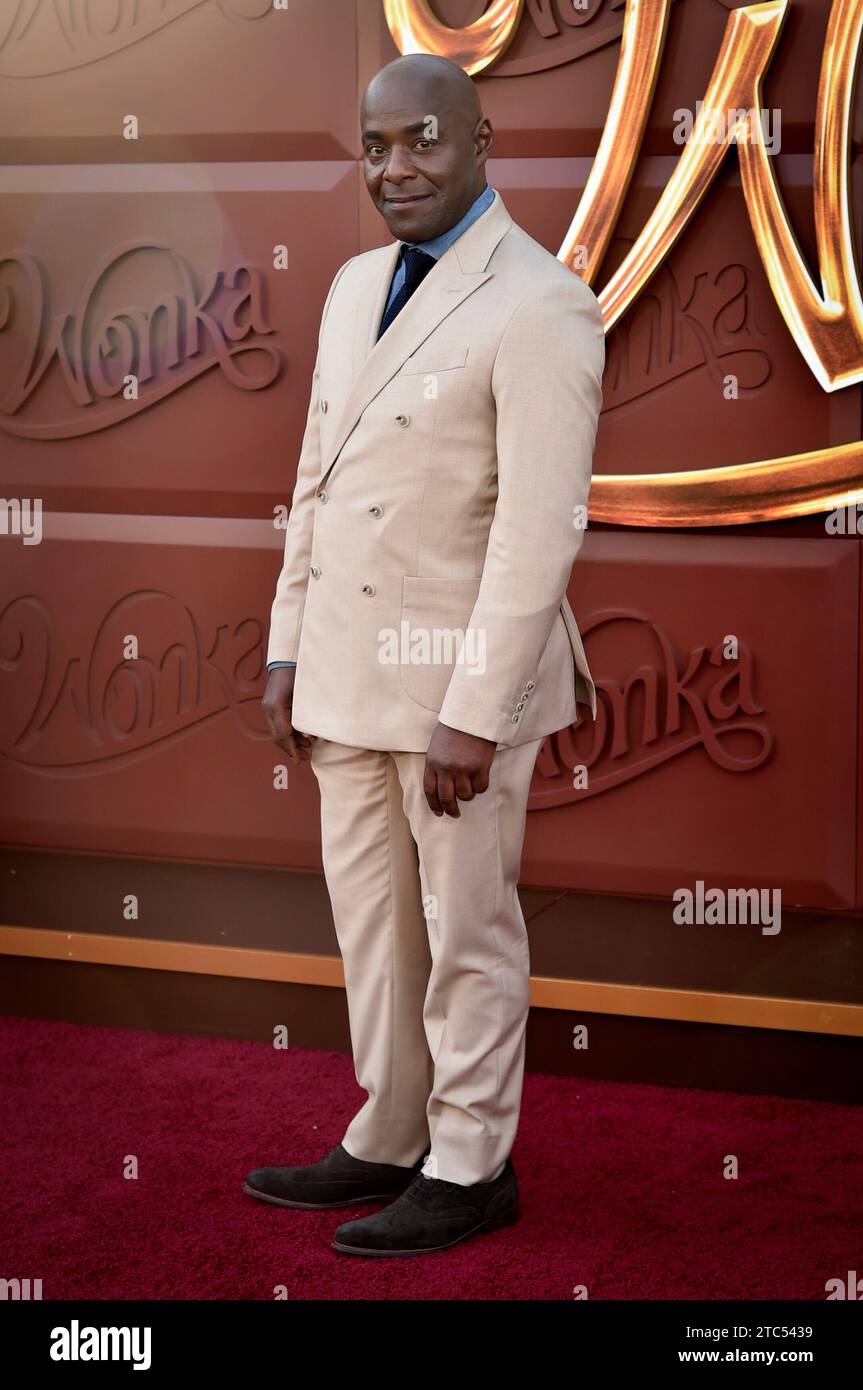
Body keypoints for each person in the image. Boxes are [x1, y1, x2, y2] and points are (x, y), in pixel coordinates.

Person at [243, 52, 604, 1257]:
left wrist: (478, 712)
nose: (394, 168)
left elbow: (536, 533)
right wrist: (287, 645)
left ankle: (470, 1162)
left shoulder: (541, 302)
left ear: (480, 138)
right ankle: (389, 1129)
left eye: (421, 142)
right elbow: (317, 480)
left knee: (464, 932)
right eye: (376, 145)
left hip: (457, 695)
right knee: (375, 934)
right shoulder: (352, 286)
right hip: (342, 680)